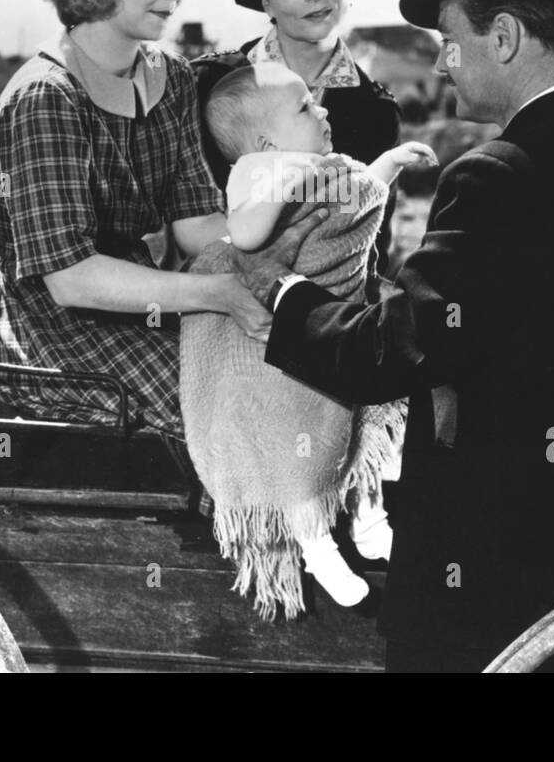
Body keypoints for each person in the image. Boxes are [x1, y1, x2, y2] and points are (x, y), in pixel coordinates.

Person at [231, 0, 554, 672]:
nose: (442, 64)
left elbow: (391, 352)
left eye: (450, 39)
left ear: (503, 37)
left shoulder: (497, 175)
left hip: (494, 578)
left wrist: (288, 293)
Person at [0, 0, 268, 436]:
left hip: (134, 298)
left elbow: (198, 224)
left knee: (275, 367)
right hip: (47, 327)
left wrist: (277, 269)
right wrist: (216, 293)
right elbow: (71, 279)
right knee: (224, 398)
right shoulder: (46, 97)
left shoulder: (170, 79)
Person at [180, 61, 434, 616]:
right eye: (305, 106)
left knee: (363, 421)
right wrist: (288, 176)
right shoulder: (256, 170)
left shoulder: (328, 167)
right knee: (300, 440)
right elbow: (245, 233)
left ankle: (370, 519)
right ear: (268, 140)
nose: (322, 111)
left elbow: (359, 198)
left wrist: (388, 164)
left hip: (334, 308)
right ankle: (316, 545)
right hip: (281, 335)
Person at [189, 0, 401, 291]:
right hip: (213, 299)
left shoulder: (376, 110)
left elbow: (371, 243)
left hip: (322, 317)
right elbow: (179, 224)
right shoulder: (206, 85)